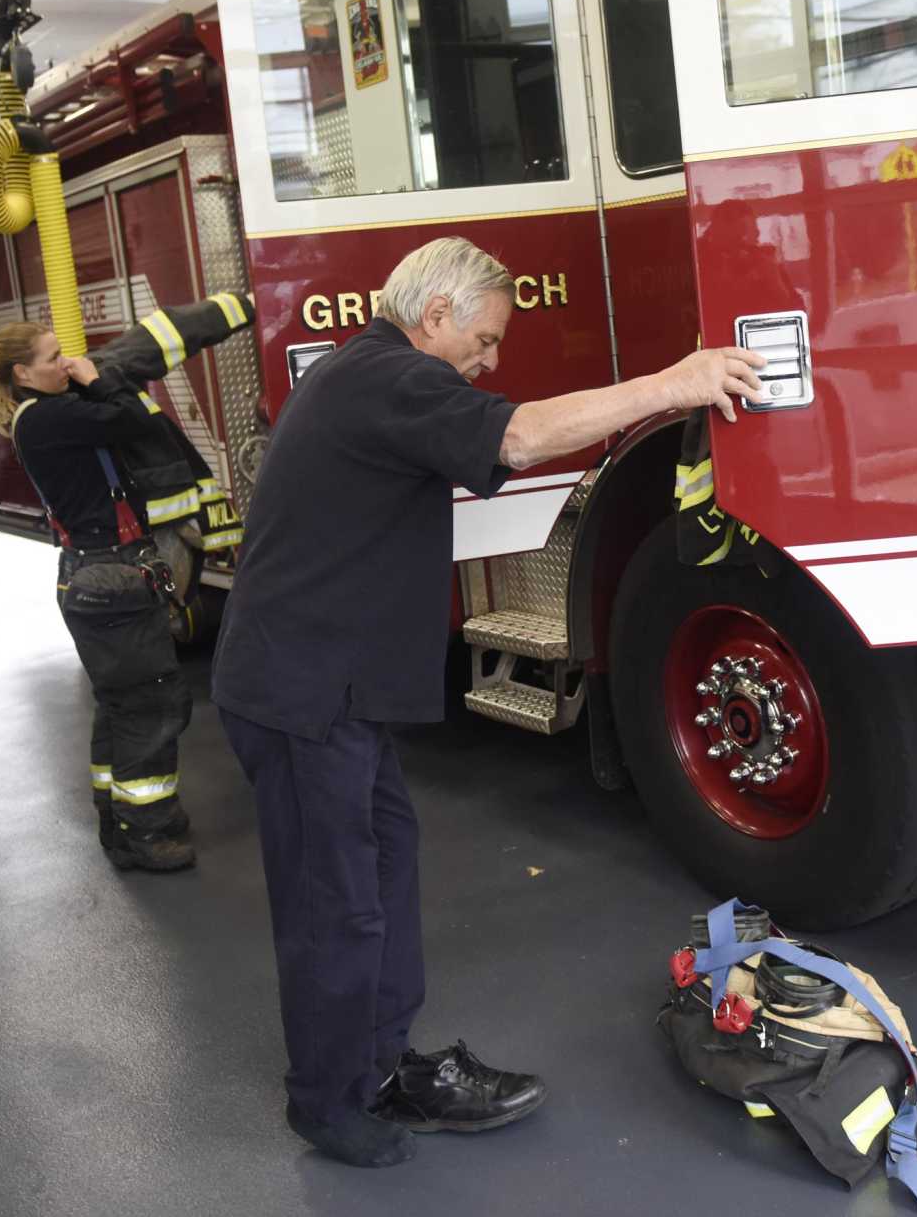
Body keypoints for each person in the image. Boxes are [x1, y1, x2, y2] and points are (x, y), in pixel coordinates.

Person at [212, 236, 764, 1169]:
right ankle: (331, 1100)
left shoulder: (373, 375)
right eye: (485, 339)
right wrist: (676, 383)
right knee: (335, 900)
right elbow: (516, 434)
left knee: (382, 864)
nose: (491, 360)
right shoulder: (383, 378)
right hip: (302, 694)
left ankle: (381, 1062)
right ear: (435, 317)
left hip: (328, 690)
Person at [0, 322, 197, 873]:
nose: (66, 363)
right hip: (111, 575)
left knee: (120, 702)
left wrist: (81, 381)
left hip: (93, 574)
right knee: (150, 703)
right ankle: (148, 830)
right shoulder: (51, 416)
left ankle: (116, 816)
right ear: (22, 373)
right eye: (53, 358)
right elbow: (138, 419)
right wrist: (99, 379)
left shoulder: (41, 415)